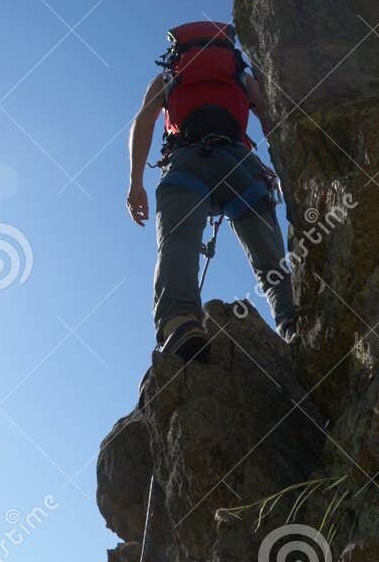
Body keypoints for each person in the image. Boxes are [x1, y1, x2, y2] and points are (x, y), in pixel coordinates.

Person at [126, 21, 297, 361]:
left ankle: (180, 323)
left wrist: (135, 184)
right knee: (270, 262)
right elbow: (267, 116)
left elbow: (144, 120)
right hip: (239, 164)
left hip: (186, 163)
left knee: (178, 244)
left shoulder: (169, 77)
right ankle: (291, 323)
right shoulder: (240, 77)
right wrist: (291, 170)